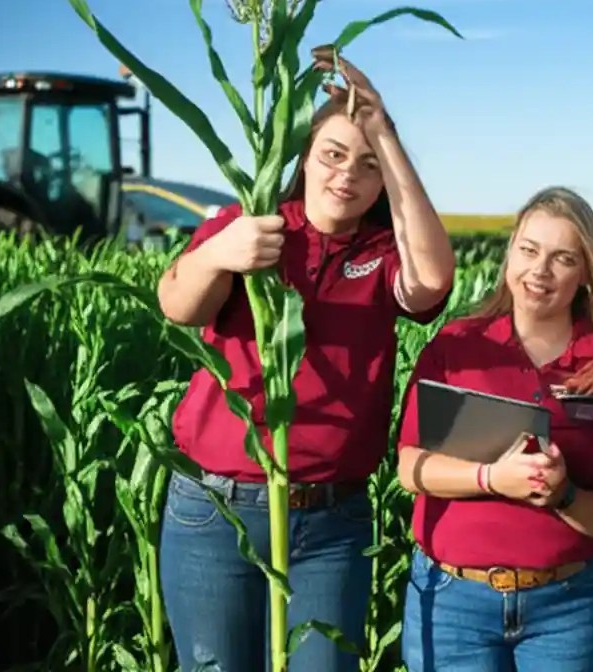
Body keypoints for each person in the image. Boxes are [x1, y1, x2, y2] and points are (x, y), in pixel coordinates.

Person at [154, 51, 456, 672]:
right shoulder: (251, 226)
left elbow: (430, 281)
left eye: (368, 165)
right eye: (334, 154)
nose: (348, 175)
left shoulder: (381, 253)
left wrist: (388, 137)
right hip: (213, 510)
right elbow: (178, 306)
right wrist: (218, 256)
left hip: (330, 522)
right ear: (304, 157)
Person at [394, 186, 593, 672]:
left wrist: (563, 495)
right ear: (510, 253)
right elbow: (410, 467)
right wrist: (492, 478)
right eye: (528, 250)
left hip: (567, 608)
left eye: (562, 258)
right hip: (453, 604)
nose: (540, 270)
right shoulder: (456, 346)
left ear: (586, 274)